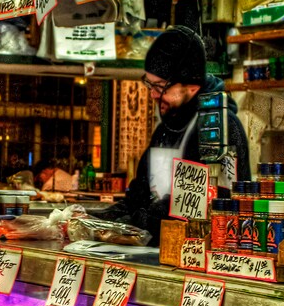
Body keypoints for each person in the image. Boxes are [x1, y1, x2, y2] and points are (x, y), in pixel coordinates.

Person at [102, 26, 251, 245]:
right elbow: (138, 196)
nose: (153, 94)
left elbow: (200, 203)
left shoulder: (219, 128)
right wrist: (93, 220)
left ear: (191, 87)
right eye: (149, 84)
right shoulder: (166, 129)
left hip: (196, 258)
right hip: (155, 254)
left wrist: (130, 224)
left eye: (160, 87)